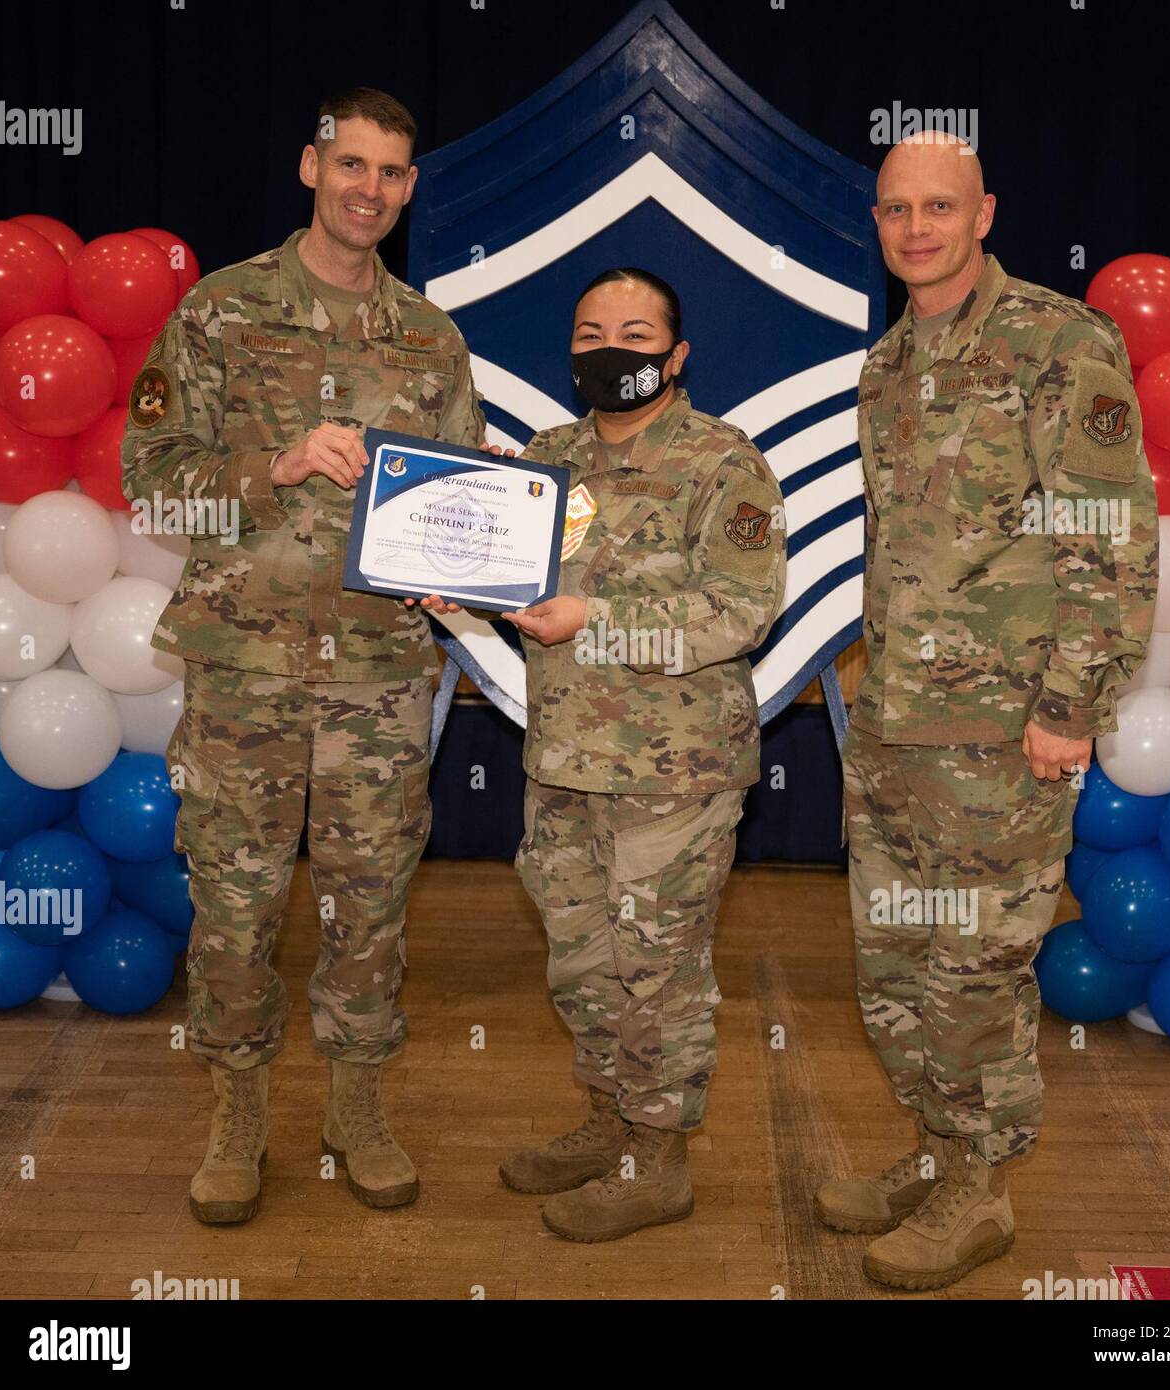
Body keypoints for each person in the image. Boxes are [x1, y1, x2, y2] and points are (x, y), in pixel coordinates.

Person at [121, 87, 486, 1225]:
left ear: (408, 188)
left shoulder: (429, 336)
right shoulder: (220, 312)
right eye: (350, 165)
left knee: (368, 909)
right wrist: (267, 470)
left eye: (389, 172)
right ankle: (237, 1116)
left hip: (379, 679)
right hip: (244, 674)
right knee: (233, 911)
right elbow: (148, 481)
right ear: (309, 167)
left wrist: (462, 572)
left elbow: (465, 501)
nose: (367, 188)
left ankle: (356, 1109)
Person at [814, 132, 1158, 1289]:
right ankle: (935, 1146)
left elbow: (1108, 539)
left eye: (940, 208)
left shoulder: (1059, 342)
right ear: (878, 221)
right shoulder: (888, 362)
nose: (917, 228)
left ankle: (982, 1192)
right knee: (895, 964)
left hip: (1008, 737)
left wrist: (1070, 705)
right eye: (896, 209)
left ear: (985, 212)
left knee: (972, 975)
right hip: (899, 725)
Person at [423, 268, 786, 1241]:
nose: (609, 349)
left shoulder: (722, 462)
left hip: (676, 772)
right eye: (591, 332)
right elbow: (520, 587)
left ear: (676, 356)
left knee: (655, 969)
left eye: (634, 332)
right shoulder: (547, 459)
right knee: (583, 961)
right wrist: (456, 582)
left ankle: (657, 1160)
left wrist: (599, 618)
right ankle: (607, 1120)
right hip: (563, 757)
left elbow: (742, 610)